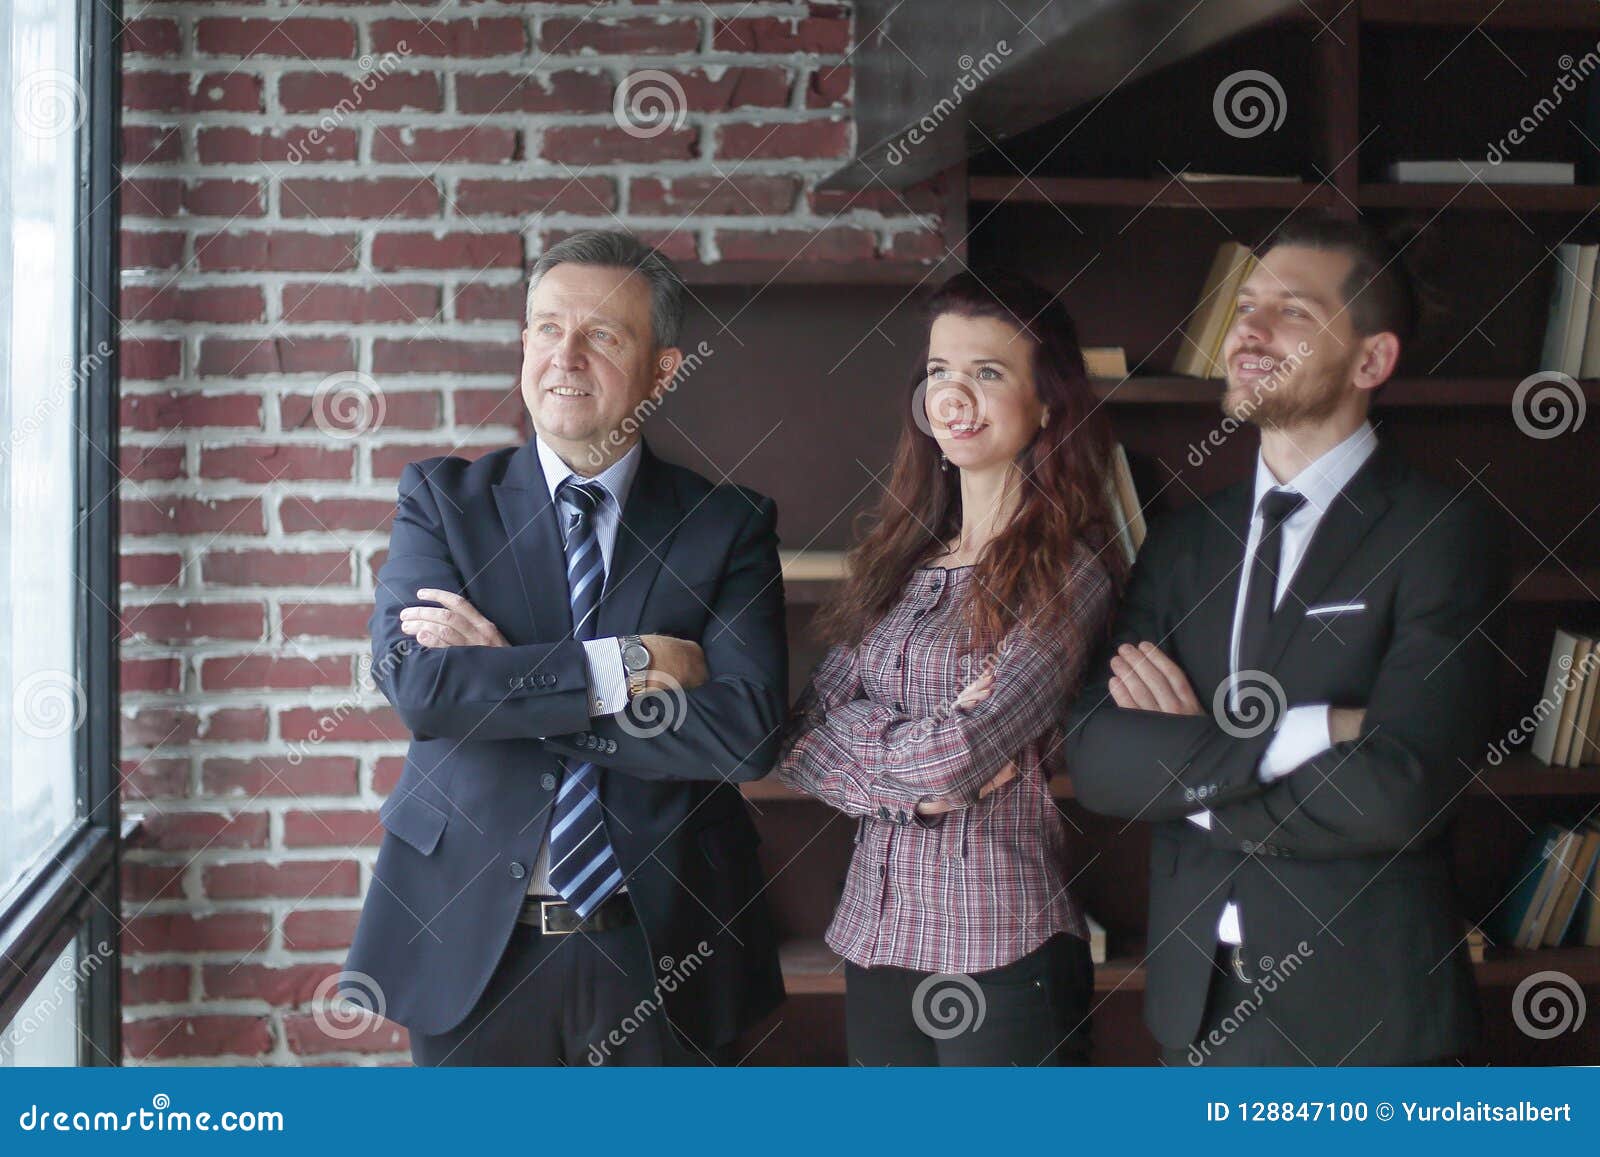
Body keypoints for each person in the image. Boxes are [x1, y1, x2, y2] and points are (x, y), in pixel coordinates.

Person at [1066, 214, 1504, 1065]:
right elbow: (1100, 757)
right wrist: (1305, 731)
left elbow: (1403, 785)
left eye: (1294, 312)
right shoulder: (1183, 543)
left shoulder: (1444, 533)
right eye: (1246, 307)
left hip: (1368, 1023)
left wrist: (1192, 780)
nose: (1250, 332)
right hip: (1194, 1015)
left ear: (1371, 359)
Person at [342, 229, 786, 1065]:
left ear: (665, 369)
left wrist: (504, 680)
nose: (565, 356)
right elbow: (422, 689)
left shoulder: (726, 525)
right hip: (473, 944)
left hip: (662, 943)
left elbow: (745, 730)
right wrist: (620, 666)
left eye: (603, 335)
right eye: (547, 328)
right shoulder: (443, 501)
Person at [776, 270, 1122, 1065]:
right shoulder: (898, 561)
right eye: (939, 372)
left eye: (988, 373)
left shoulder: (1070, 572)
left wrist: (870, 734)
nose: (953, 395)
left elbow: (959, 751)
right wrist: (922, 795)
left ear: (1045, 405)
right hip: (877, 934)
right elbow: (798, 737)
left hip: (1002, 943)